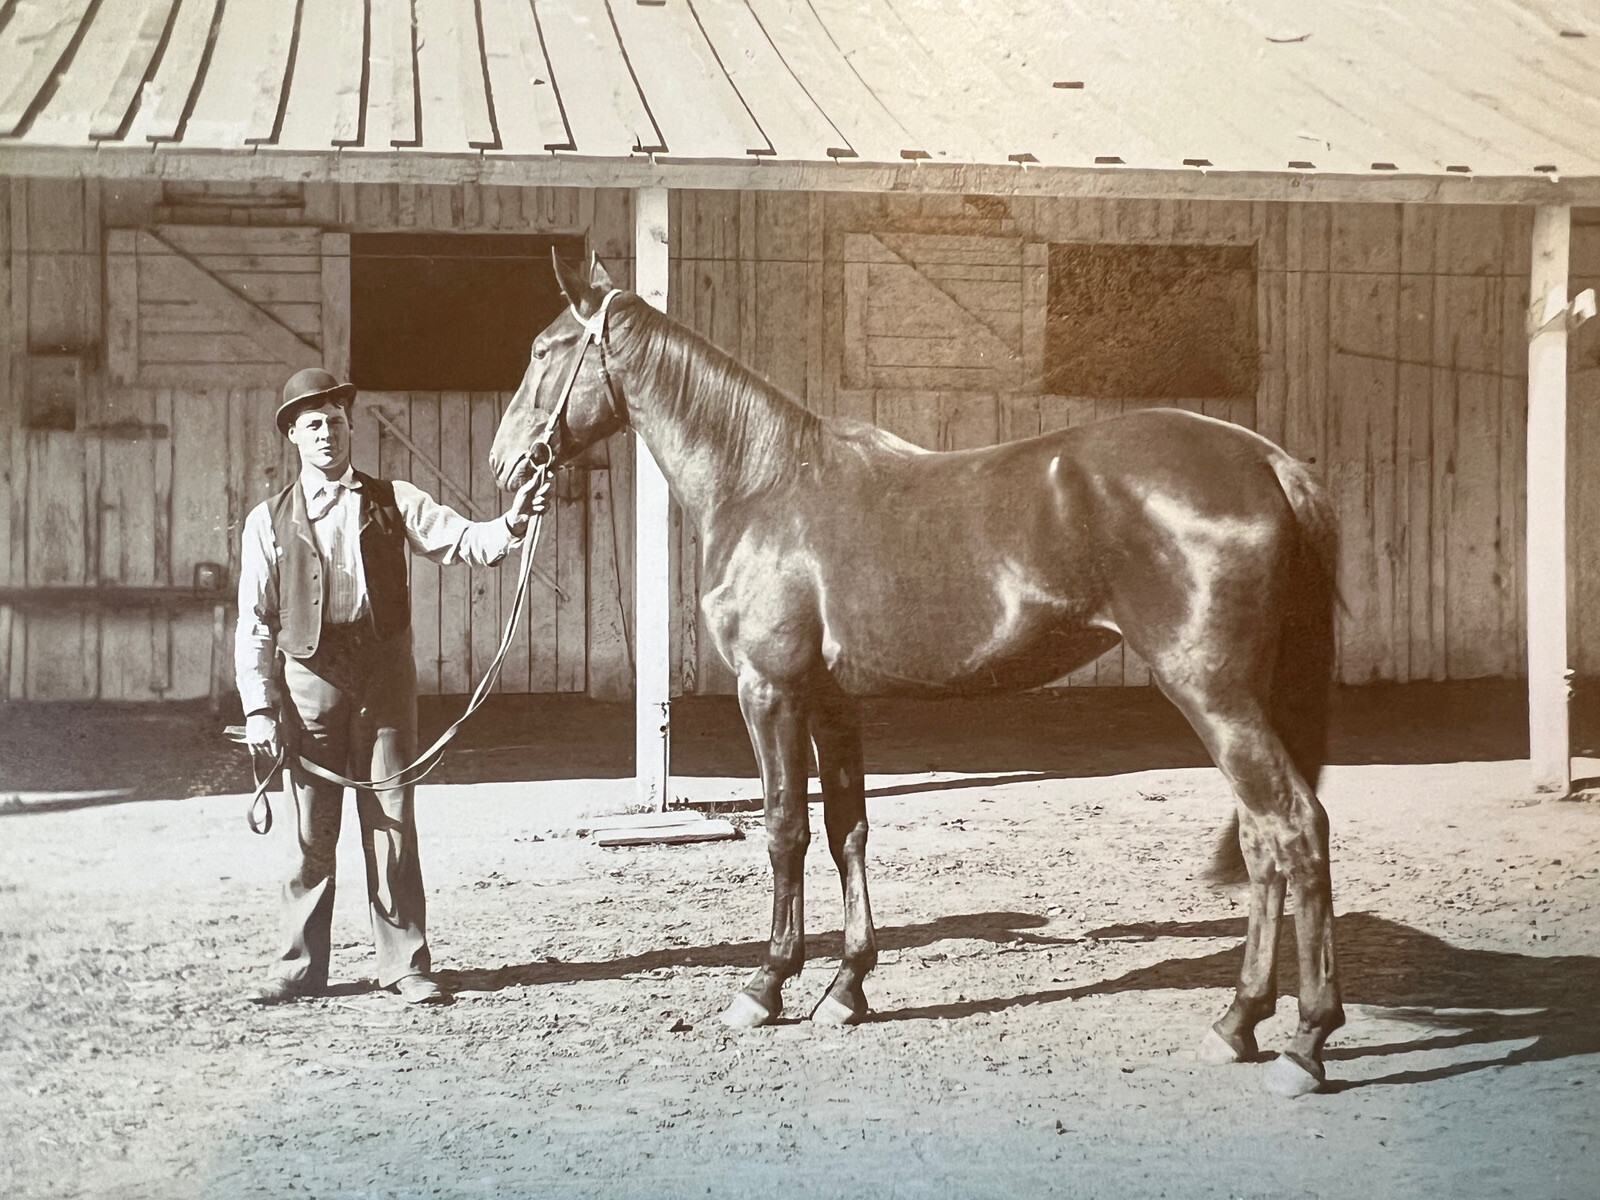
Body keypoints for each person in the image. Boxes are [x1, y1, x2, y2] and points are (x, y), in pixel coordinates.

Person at [237, 367, 549, 1005]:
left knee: (392, 821)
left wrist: (514, 521)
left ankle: (406, 963)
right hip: (309, 682)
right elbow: (255, 622)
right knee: (310, 831)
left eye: (337, 421)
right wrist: (260, 709)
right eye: (314, 424)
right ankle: (298, 969)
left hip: (383, 679)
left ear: (352, 429)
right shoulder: (266, 522)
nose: (328, 433)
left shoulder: (394, 498)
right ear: (293, 436)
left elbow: (466, 541)